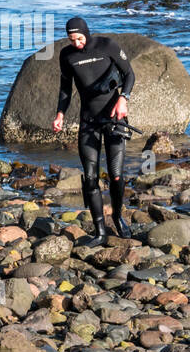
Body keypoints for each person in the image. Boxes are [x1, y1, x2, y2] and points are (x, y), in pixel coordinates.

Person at [52, 17, 135, 246]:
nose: (77, 43)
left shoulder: (106, 46)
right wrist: (60, 114)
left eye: (79, 38)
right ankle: (100, 231)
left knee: (116, 174)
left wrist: (123, 99)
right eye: (72, 40)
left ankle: (118, 216)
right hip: (88, 120)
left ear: (87, 33)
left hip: (114, 119)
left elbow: (129, 74)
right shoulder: (66, 56)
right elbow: (66, 89)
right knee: (90, 177)